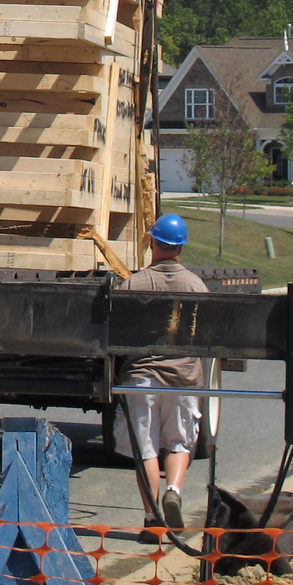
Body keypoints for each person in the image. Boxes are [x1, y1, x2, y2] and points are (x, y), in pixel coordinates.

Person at [114, 213, 208, 530]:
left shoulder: (134, 283)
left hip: (142, 378)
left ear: (152, 242)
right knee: (179, 444)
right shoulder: (196, 285)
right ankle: (174, 491)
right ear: (180, 247)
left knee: (146, 450)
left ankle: (152, 518)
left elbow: (119, 331)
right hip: (183, 378)